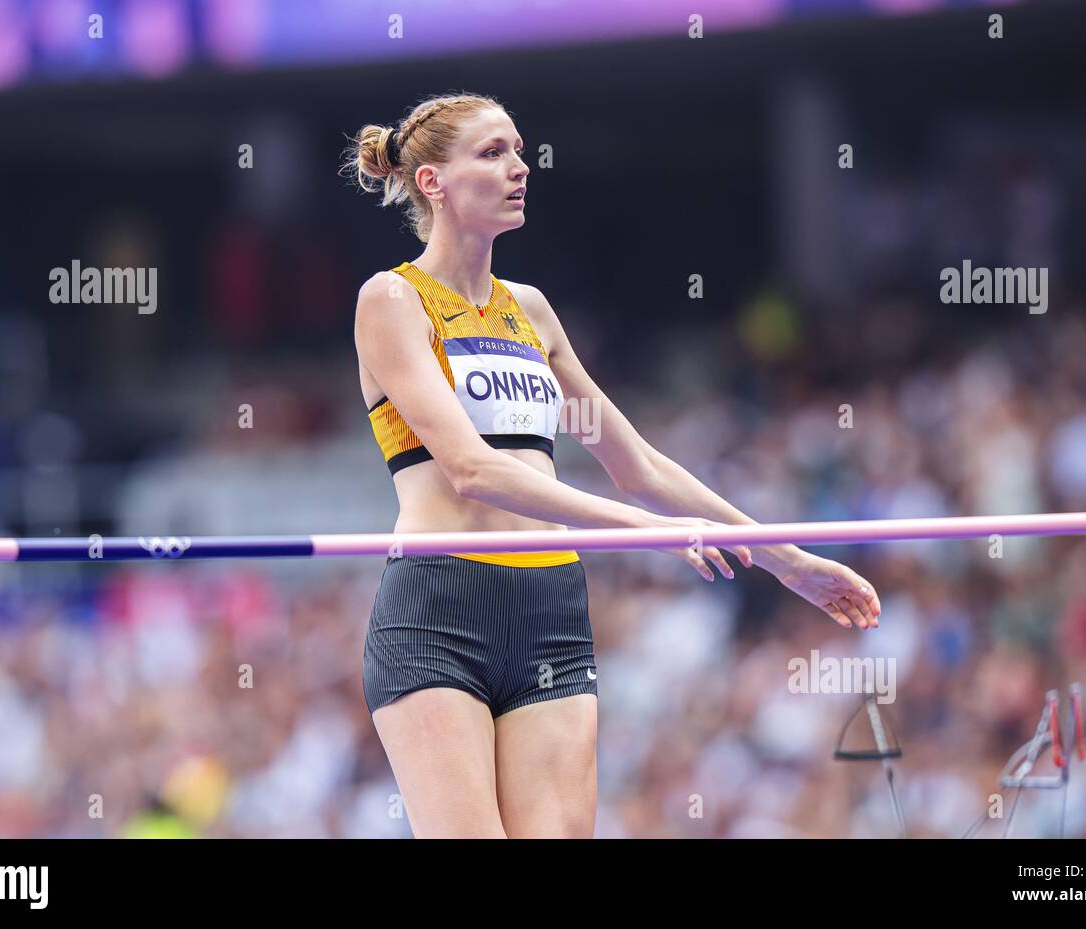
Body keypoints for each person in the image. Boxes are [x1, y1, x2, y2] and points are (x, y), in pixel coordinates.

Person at [343, 92, 881, 838]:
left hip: (548, 611)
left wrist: (783, 559)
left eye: (520, 150)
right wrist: (649, 533)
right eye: (492, 152)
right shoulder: (393, 300)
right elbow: (471, 469)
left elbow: (640, 466)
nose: (519, 167)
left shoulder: (529, 312)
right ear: (432, 182)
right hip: (441, 608)